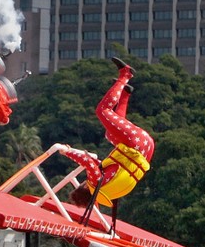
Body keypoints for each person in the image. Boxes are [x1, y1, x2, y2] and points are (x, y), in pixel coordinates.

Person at [61, 57, 155, 228]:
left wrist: (89, 158)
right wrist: (67, 151)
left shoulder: (108, 191)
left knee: (110, 134)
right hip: (136, 143)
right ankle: (125, 75)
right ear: (82, 188)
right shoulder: (93, 184)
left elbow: (98, 165)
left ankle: (125, 93)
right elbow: (88, 163)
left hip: (146, 149)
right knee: (102, 110)